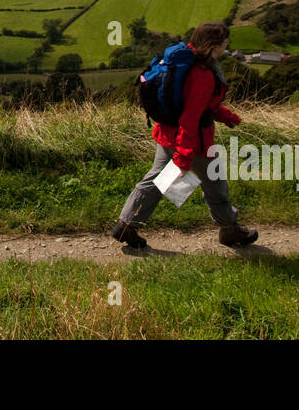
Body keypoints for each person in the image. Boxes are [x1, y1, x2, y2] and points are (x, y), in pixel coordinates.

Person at [111, 21, 259, 249]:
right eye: (225, 42)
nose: (227, 46)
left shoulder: (184, 61)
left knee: (157, 181)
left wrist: (226, 116)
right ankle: (229, 231)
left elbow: (198, 106)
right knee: (216, 185)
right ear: (212, 45)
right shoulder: (202, 74)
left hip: (167, 134)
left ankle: (127, 224)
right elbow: (191, 116)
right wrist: (184, 154)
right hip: (194, 143)